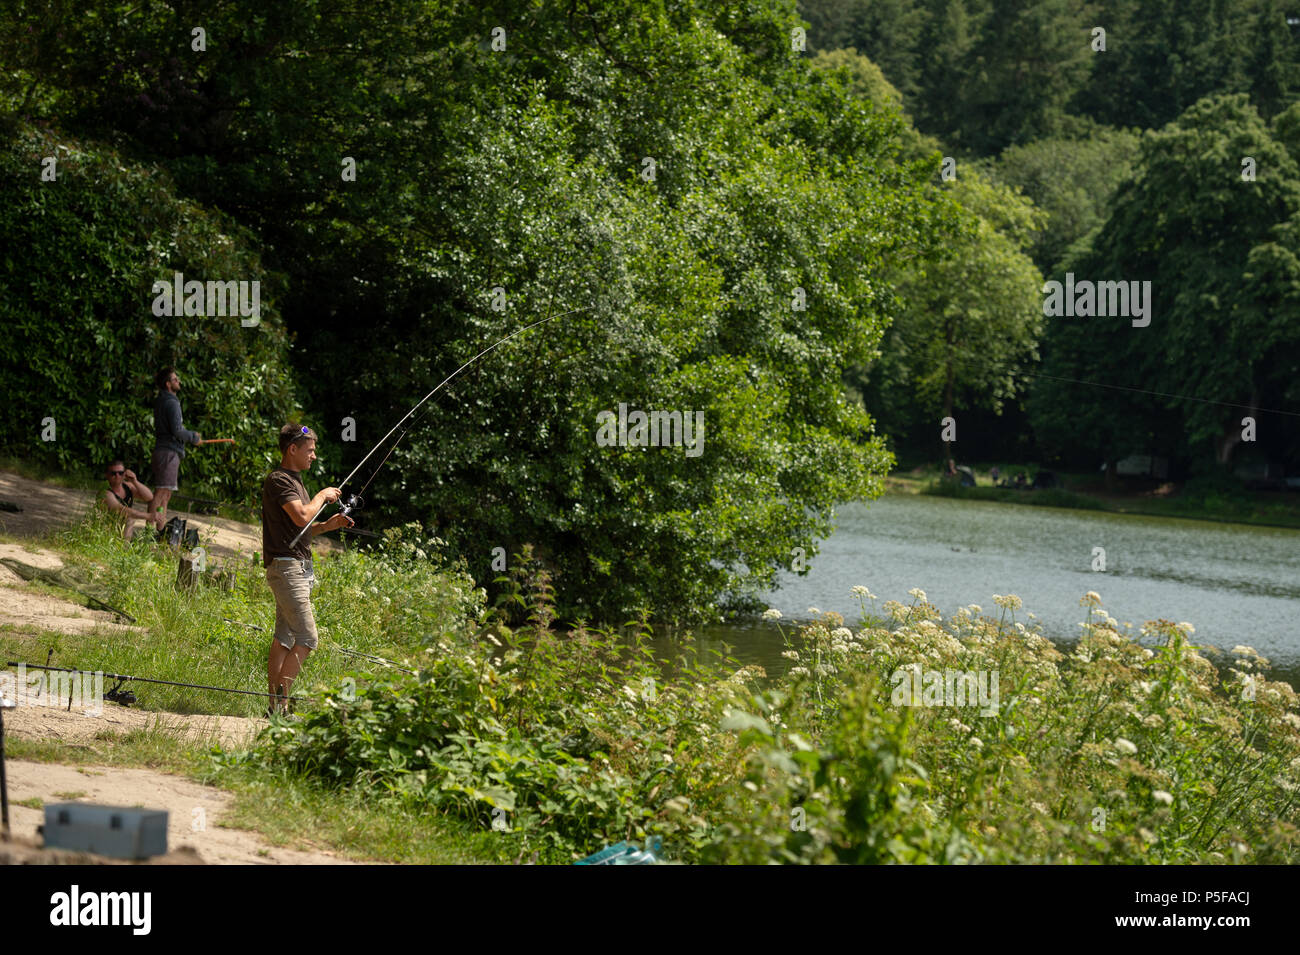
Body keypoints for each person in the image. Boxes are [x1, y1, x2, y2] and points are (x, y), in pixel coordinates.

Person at [261, 424, 353, 716]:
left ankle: (274, 707)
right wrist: (322, 496)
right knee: (308, 638)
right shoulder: (279, 480)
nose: (313, 456)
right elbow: (301, 515)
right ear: (293, 449)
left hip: (294, 566)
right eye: (310, 451)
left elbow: (299, 529)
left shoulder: (295, 482)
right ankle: (283, 707)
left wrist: (328, 525)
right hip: (287, 569)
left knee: (285, 638)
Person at [148, 366, 201, 534]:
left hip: (166, 452)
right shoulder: (171, 402)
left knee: (165, 495)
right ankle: (148, 533)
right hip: (168, 453)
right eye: (175, 379)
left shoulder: (163, 401)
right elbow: (177, 430)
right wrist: (193, 437)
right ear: (168, 384)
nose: (178, 381)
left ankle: (160, 530)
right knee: (161, 493)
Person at [101, 460, 155, 540]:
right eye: (113, 473)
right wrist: (149, 516)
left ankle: (125, 546)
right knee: (129, 519)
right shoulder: (106, 493)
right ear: (107, 475)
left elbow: (149, 497)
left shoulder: (127, 486)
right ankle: (124, 548)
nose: (117, 476)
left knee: (129, 519)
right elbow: (123, 511)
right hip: (107, 526)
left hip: (120, 525)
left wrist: (135, 481)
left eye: (121, 473)